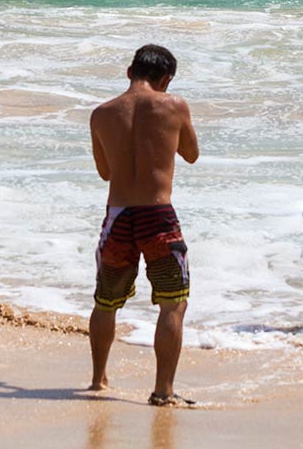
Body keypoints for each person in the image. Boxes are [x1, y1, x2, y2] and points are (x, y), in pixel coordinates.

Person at [87, 44, 199, 406]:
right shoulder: (174, 105)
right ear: (166, 79)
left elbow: (105, 172)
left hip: (118, 216)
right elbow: (192, 154)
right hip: (157, 216)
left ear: (129, 71)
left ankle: (98, 379)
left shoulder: (101, 114)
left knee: (106, 302)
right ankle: (163, 391)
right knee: (172, 304)